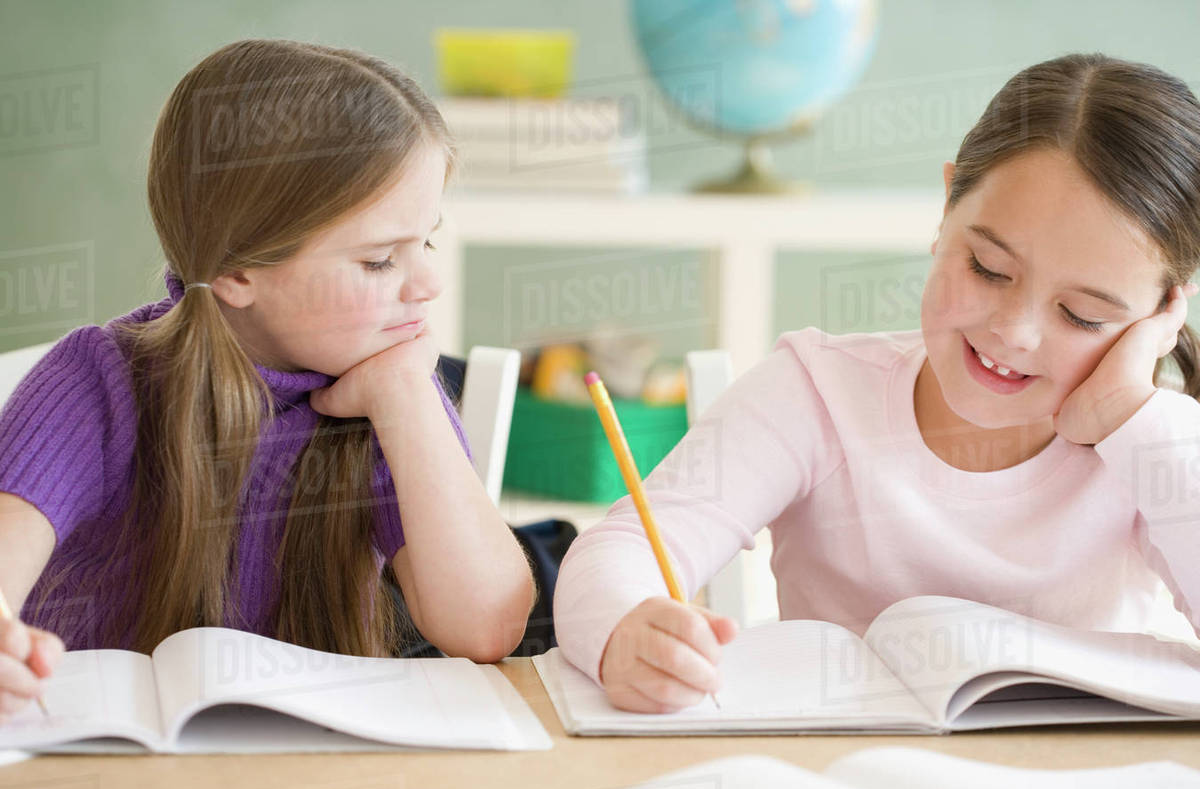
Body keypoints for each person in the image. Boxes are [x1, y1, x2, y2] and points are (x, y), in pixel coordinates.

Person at [553, 53, 1200, 713]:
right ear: (947, 205)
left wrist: (1130, 415)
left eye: (1083, 315)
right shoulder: (816, 395)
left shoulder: (1155, 446)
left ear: (1160, 314)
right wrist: (624, 632)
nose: (1016, 332)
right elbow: (624, 547)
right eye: (987, 268)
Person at [0, 39, 535, 722]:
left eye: (425, 243)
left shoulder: (387, 391)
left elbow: (487, 627)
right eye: (379, 260)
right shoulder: (97, 379)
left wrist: (407, 399)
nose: (428, 284)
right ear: (238, 272)